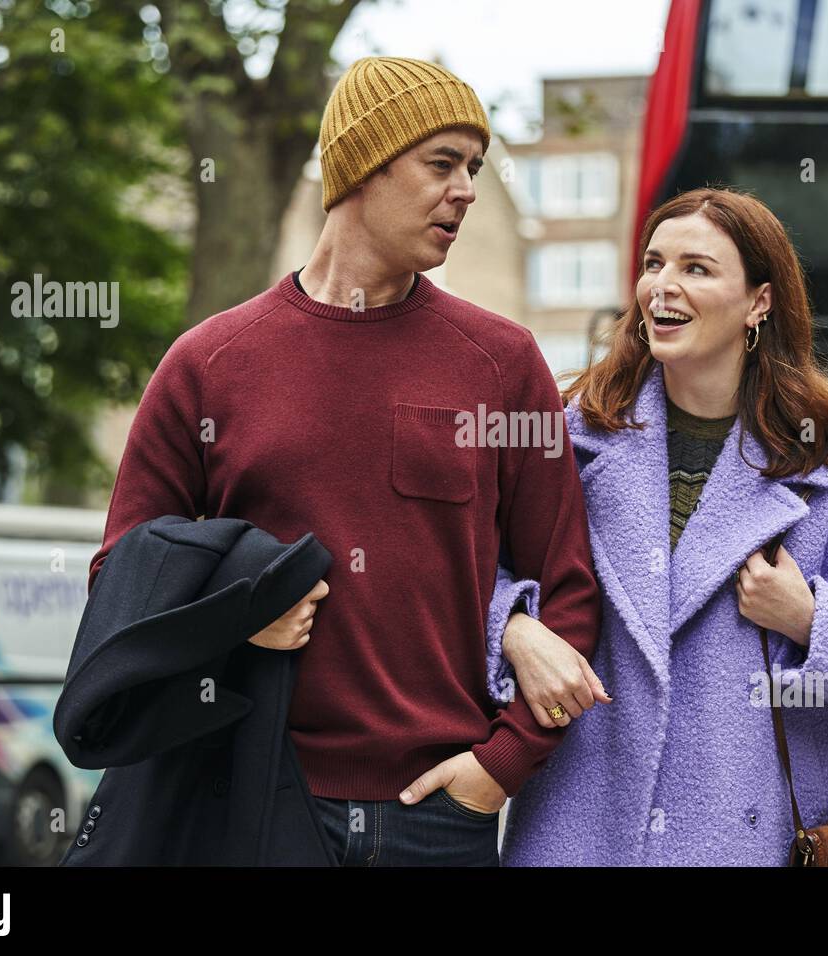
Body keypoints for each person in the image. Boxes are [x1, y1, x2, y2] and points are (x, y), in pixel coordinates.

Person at [88, 57, 602, 866]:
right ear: (364, 166)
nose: (466, 188)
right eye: (443, 163)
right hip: (250, 795)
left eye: (474, 166)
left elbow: (570, 585)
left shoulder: (501, 363)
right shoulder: (210, 362)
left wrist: (498, 770)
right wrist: (236, 618)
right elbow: (123, 574)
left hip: (440, 813)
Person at [485, 186, 828, 865]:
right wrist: (515, 629)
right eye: (653, 263)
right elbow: (460, 575)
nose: (661, 287)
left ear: (759, 302)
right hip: (576, 839)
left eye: (696, 269)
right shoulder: (571, 439)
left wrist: (810, 621)